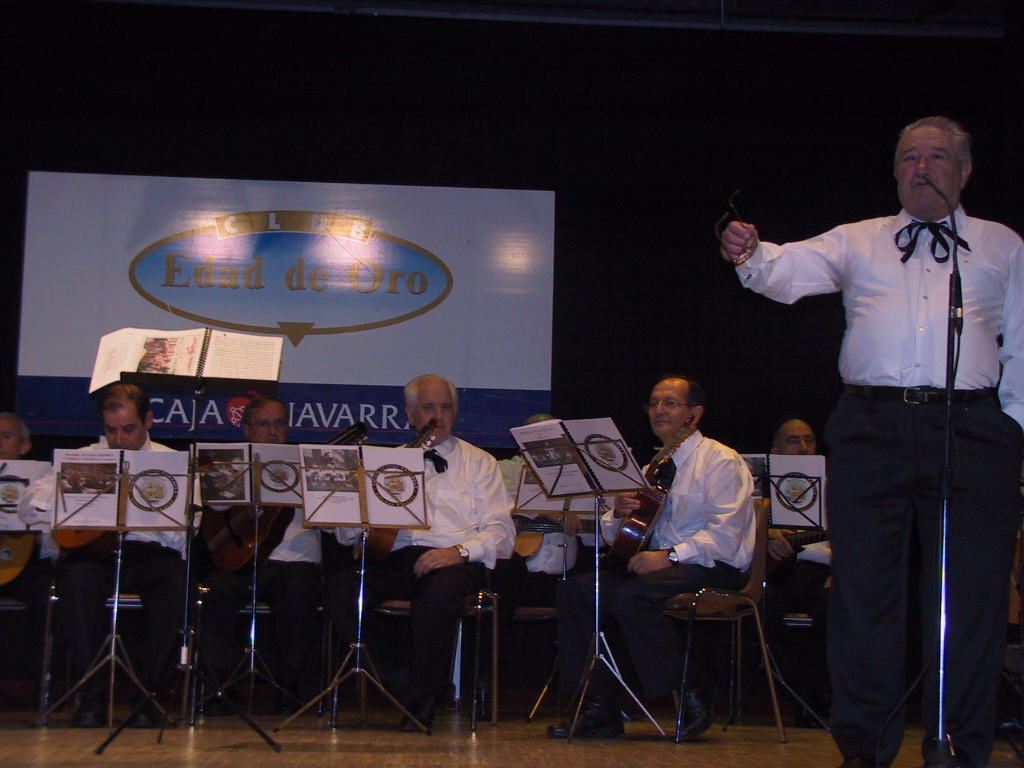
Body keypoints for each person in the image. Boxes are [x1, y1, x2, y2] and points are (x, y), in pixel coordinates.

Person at [720, 116, 1024, 768]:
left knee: (969, 598)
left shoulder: (1002, 246)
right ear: (895, 171)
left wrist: (1012, 428)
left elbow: (1023, 345)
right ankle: (865, 749)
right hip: (872, 427)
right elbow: (790, 267)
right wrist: (750, 252)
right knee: (864, 596)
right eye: (909, 156)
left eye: (937, 156)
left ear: (964, 172)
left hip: (972, 430)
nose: (922, 167)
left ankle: (963, 746)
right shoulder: (860, 240)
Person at [546, 374, 756, 740]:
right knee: (577, 591)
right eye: (653, 403)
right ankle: (599, 708)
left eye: (670, 403)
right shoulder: (650, 469)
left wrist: (670, 556)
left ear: (695, 413)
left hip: (713, 567)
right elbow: (622, 538)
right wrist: (618, 511)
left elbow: (725, 536)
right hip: (659, 567)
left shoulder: (721, 461)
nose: (659, 410)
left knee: (630, 596)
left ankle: (692, 688)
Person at [322, 373, 515, 731]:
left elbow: (502, 533)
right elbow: (348, 537)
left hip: (454, 561)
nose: (438, 416)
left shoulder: (480, 463)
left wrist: (458, 551)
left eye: (446, 407)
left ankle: (420, 702)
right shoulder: (384, 462)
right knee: (342, 590)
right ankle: (409, 681)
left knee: (438, 596)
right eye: (428, 408)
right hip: (396, 558)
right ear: (410, 415)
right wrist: (344, 505)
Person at [19, 384, 187, 728]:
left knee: (176, 583)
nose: (120, 440)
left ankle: (148, 695)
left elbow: (186, 531)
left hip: (148, 553)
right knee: (77, 580)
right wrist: (67, 492)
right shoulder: (86, 456)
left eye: (129, 429)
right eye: (111, 430)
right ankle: (91, 694)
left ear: (148, 421)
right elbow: (29, 508)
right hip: (94, 554)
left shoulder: (171, 463)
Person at [197, 396, 322, 715]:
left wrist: (319, 501)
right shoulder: (227, 463)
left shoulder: (308, 465)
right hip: (241, 562)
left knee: (300, 594)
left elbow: (338, 528)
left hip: (296, 563)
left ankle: (289, 686)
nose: (273, 431)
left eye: (280, 423)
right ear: (246, 428)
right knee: (214, 592)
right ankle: (220, 686)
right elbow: (212, 512)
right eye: (264, 424)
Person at [762, 417, 831, 727]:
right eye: (794, 441)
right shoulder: (759, 489)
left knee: (834, 607)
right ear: (776, 450)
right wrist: (765, 537)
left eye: (810, 440)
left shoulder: (835, 487)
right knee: (762, 605)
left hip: (822, 574)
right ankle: (798, 691)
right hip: (778, 574)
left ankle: (817, 694)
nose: (804, 448)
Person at [1, 412, 54, 684]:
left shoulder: (42, 480)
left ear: (24, 446)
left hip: (27, 565)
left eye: (6, 436)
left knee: (45, 587)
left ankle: (35, 682)